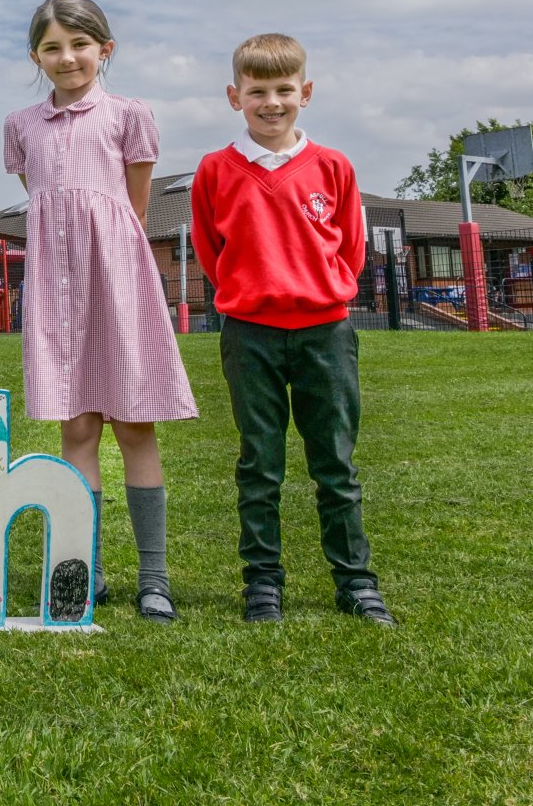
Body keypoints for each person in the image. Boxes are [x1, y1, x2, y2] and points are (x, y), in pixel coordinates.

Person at [2, 0, 197, 622]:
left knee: (135, 426)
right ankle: (83, 571)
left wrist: (107, 256)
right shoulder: (22, 126)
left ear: (104, 49)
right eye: (52, 47)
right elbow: (48, 205)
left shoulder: (128, 115)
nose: (67, 58)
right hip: (58, 294)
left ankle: (154, 578)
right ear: (36, 55)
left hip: (118, 282)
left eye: (80, 44)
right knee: (78, 430)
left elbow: (131, 208)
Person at [190, 33, 395, 625]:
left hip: (325, 332)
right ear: (235, 96)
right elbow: (210, 251)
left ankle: (355, 583)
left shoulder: (334, 167)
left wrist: (319, 291)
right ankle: (262, 584)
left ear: (305, 92)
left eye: (284, 90)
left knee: (335, 463)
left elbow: (351, 250)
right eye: (257, 91)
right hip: (249, 334)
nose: (271, 102)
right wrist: (250, 294)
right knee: (259, 462)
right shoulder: (215, 170)